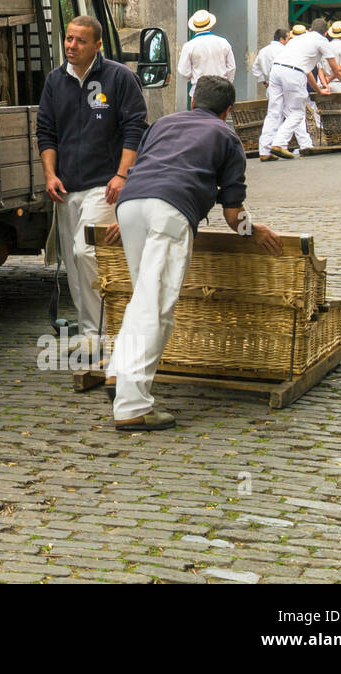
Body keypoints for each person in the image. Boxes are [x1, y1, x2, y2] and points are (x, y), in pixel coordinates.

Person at [103, 76, 283, 430]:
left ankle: (118, 374)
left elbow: (145, 167)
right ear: (227, 111)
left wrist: (129, 216)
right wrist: (253, 231)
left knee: (142, 299)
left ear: (191, 101)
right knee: (155, 307)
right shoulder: (226, 136)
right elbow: (233, 213)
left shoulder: (164, 122)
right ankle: (132, 406)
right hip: (170, 209)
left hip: (130, 205)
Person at [37, 16, 148, 353]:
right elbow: (46, 131)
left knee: (86, 252)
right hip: (67, 186)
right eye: (69, 39)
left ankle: (105, 333)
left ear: (97, 46)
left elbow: (135, 128)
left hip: (105, 184)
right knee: (72, 262)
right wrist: (50, 175)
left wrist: (122, 175)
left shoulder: (119, 78)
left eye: (80, 41)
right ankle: (89, 333)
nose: (71, 46)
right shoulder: (55, 82)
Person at [259, 18, 341, 161]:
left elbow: (308, 71)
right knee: (297, 112)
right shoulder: (322, 41)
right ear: (325, 33)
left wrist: (318, 90)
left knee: (274, 111)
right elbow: (337, 69)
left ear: (310, 29)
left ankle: (265, 150)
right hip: (293, 73)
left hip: (276, 70)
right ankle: (279, 143)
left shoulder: (297, 39)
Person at [176, 10, 235, 106]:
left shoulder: (189, 46)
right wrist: (226, 84)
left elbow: (184, 72)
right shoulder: (223, 43)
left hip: (199, 91)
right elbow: (232, 68)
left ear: (194, 28)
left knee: (199, 119)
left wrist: (194, 75)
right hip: (221, 91)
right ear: (210, 26)